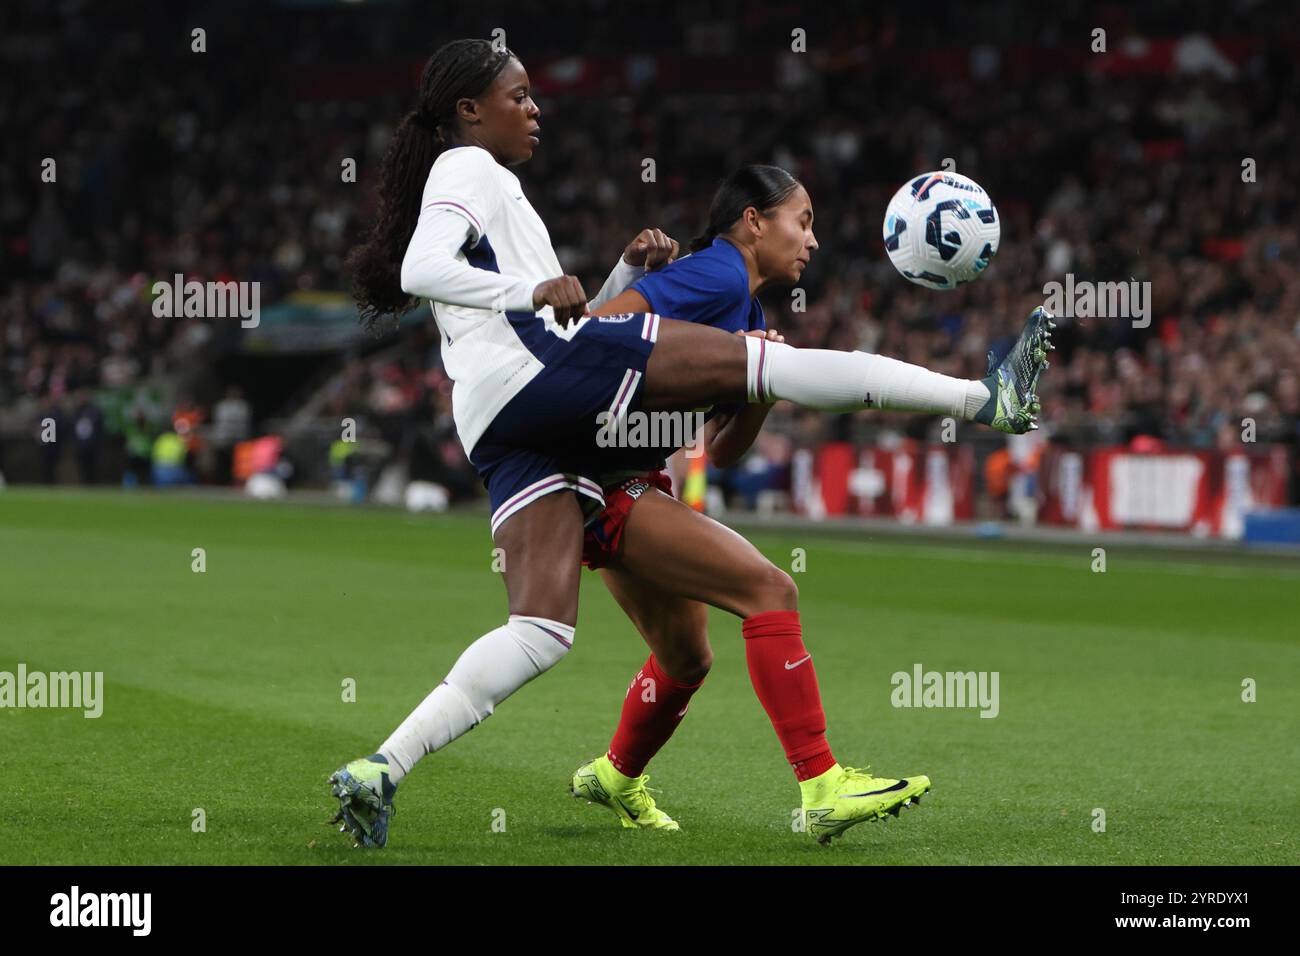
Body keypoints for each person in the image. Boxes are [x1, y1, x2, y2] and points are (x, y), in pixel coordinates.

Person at [330, 39, 1053, 849]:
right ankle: (984, 397)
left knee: (545, 632)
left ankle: (381, 768)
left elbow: (603, 349)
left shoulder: (496, 188)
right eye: (520, 96)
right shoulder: (474, 170)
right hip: (553, 401)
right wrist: (533, 290)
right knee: (776, 471)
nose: (537, 110)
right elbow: (431, 270)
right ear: (469, 110)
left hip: (512, 427)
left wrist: (609, 280)